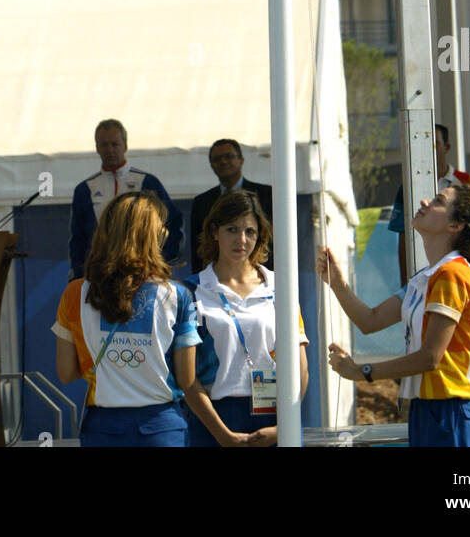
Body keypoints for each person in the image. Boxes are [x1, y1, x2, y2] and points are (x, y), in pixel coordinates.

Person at [319, 182, 470, 448]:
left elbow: (429, 358)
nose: (424, 202)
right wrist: (336, 283)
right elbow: (370, 320)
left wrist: (362, 371)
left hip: (453, 412)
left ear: (455, 225)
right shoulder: (426, 277)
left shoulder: (453, 274)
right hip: (428, 411)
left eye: (437, 201)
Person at [53, 190, 199, 447]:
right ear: (154, 236)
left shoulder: (75, 293)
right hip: (161, 428)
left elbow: (66, 373)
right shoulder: (178, 295)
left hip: (102, 428)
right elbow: (186, 378)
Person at [181, 189, 308, 447]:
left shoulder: (280, 285)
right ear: (214, 231)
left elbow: (300, 366)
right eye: (232, 229)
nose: (241, 239)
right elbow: (187, 378)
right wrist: (221, 433)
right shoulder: (190, 292)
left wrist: (282, 427)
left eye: (249, 231)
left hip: (275, 417)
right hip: (214, 420)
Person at [68, 119, 183, 277]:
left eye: (115, 144)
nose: (110, 150)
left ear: (125, 145)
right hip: (100, 276)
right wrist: (82, 273)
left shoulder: (147, 182)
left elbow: (172, 224)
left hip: (144, 273)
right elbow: (78, 239)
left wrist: (161, 260)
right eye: (104, 145)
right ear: (97, 148)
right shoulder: (85, 189)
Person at [388, 123, 470, 286]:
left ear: (447, 147)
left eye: (435, 143)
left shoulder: (466, 182)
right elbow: (403, 235)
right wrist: (405, 282)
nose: (430, 149)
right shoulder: (407, 186)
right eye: (424, 143)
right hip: (419, 272)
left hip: (456, 271)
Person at [189, 138, 273, 271]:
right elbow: (197, 248)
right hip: (215, 280)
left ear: (241, 160)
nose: (223, 161)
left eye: (229, 156)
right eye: (217, 159)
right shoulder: (201, 202)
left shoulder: (267, 195)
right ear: (211, 165)